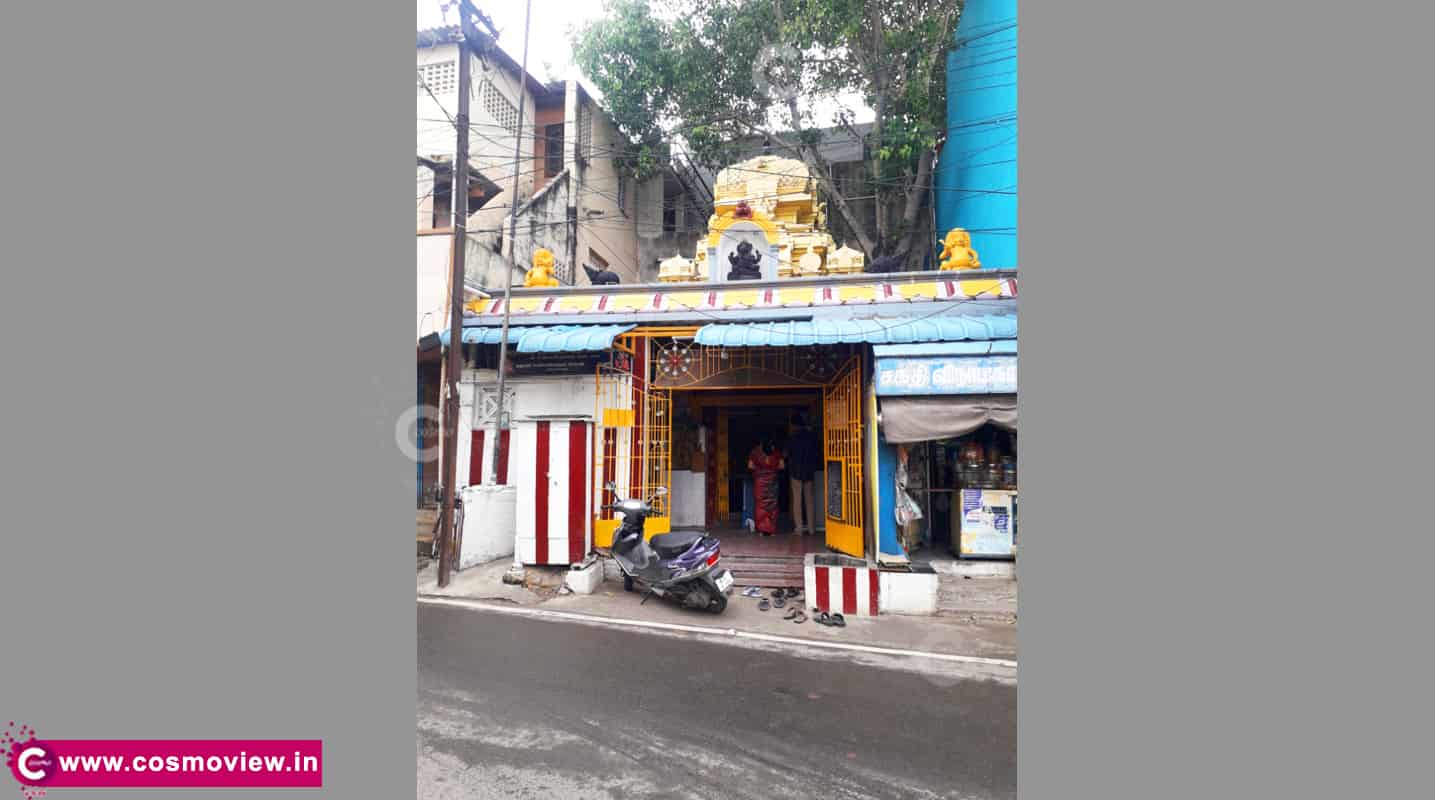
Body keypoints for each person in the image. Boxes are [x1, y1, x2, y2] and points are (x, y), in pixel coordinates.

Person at [786, 414, 821, 536]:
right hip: (809, 472)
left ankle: (799, 528)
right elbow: (817, 452)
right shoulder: (812, 437)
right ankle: (811, 529)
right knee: (809, 501)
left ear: (794, 425)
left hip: (796, 472)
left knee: (797, 501)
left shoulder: (792, 438)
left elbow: (788, 454)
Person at [746, 434, 784, 536]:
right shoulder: (776, 452)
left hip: (760, 482)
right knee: (772, 506)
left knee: (760, 506)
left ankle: (762, 530)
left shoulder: (755, 452)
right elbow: (781, 466)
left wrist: (760, 469)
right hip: (773, 482)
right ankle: (771, 530)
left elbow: (750, 466)